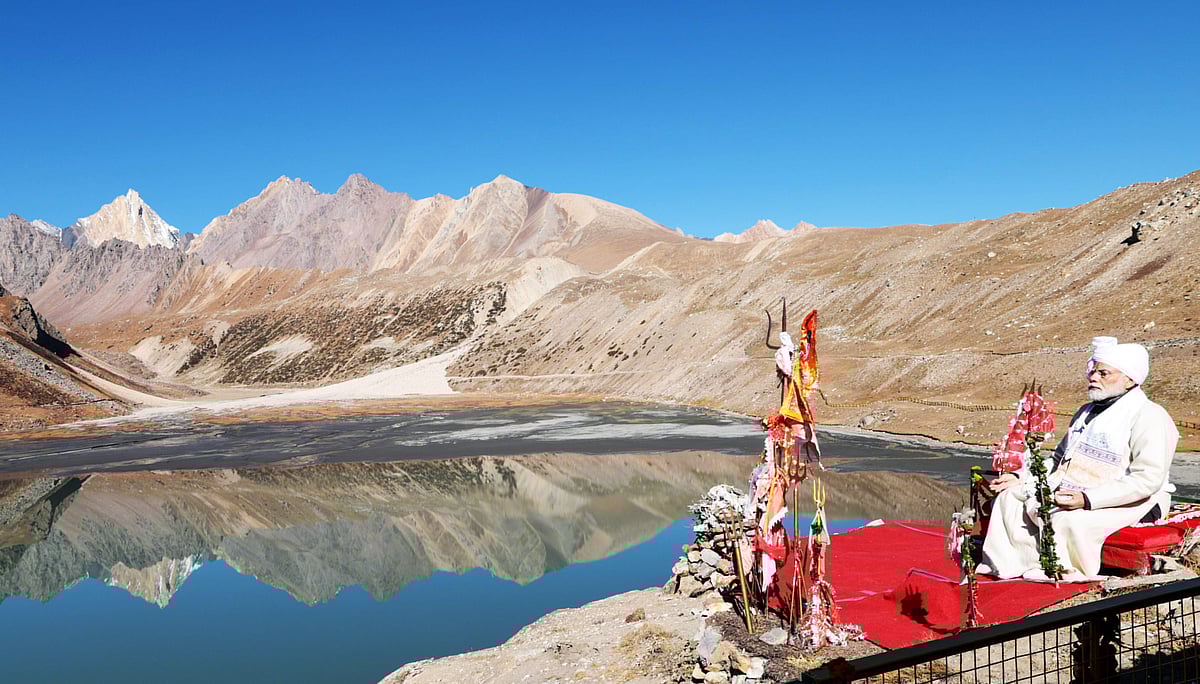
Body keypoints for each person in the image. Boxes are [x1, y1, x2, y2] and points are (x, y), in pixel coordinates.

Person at [979, 336, 1179, 581]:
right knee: (1010, 498)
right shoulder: (1085, 412)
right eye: (1093, 371)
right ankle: (1010, 565)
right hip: (1075, 489)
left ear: (1130, 379)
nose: (1093, 377)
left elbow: (1148, 479)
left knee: (1065, 520)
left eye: (1104, 373)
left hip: (1134, 500)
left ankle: (1060, 572)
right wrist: (1020, 478)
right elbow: (1060, 459)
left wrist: (1087, 499)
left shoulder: (1150, 416)